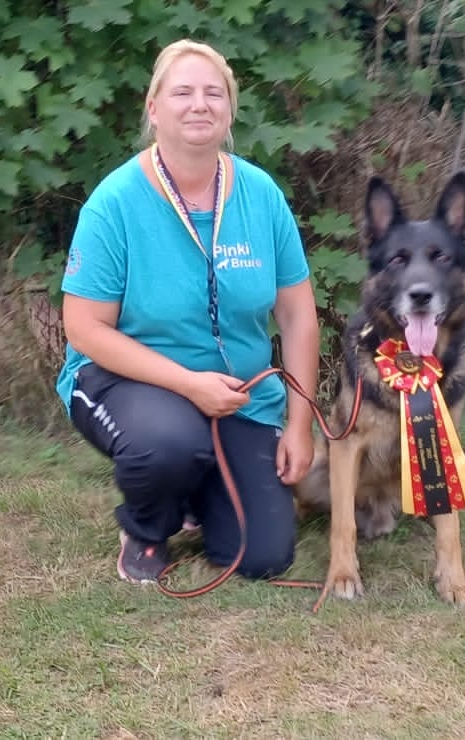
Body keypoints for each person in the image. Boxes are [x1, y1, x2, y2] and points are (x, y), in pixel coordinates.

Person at [56, 39, 321, 584]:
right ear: (154, 110)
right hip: (130, 381)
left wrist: (299, 426)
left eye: (214, 93)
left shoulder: (261, 195)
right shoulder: (115, 203)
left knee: (264, 556)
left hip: (238, 396)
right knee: (168, 443)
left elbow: (297, 317)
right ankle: (147, 528)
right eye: (183, 92)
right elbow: (84, 327)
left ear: (229, 111)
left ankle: (200, 489)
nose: (200, 104)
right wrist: (187, 383)